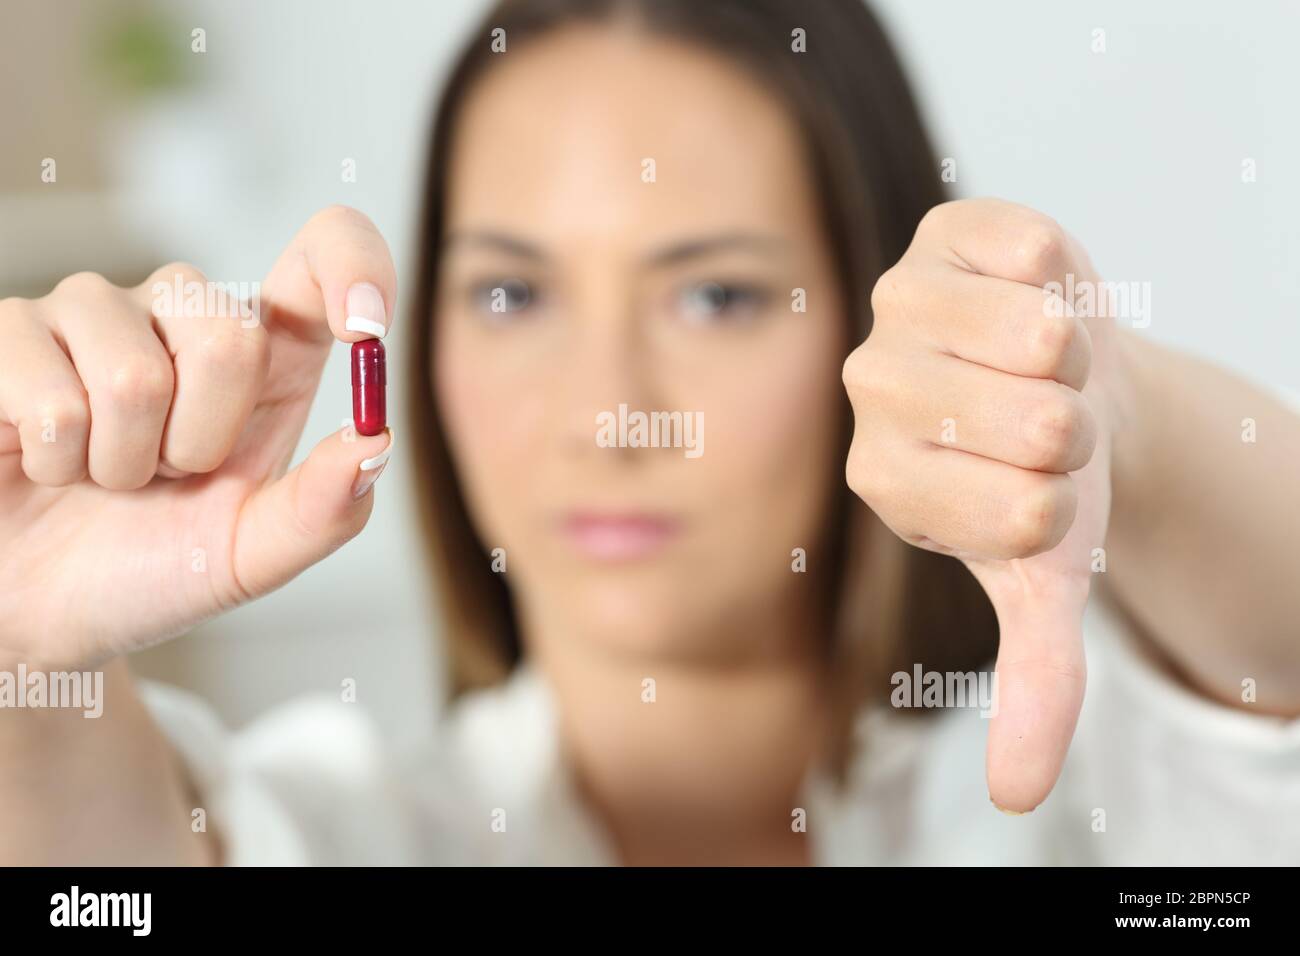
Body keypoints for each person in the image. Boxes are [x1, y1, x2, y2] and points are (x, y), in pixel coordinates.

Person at [1, 0, 1296, 866]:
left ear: (878, 317)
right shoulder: (335, 830)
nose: (603, 410)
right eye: (511, 294)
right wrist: (24, 656)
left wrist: (1108, 403)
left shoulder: (1103, 815)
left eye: (717, 295)